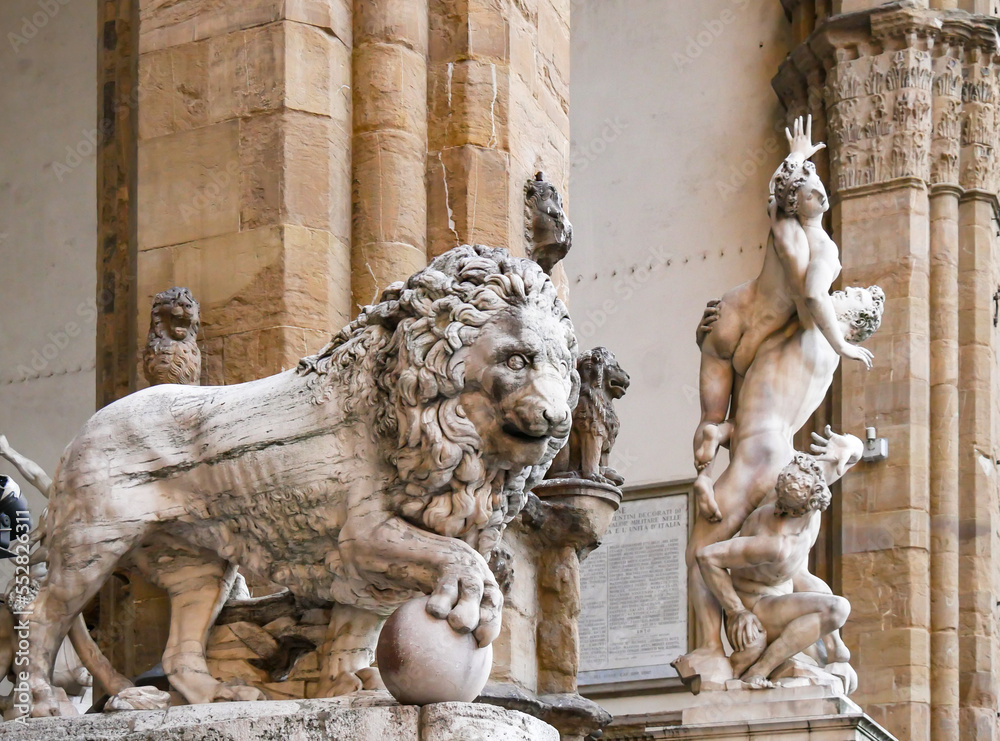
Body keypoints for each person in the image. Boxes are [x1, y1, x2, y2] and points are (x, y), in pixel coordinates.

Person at [677, 284, 883, 680]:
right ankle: (808, 655)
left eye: (851, 296)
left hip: (758, 454)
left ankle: (710, 649)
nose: (841, 292)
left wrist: (721, 333)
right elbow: (746, 362)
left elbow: (804, 289)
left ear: (852, 324)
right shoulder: (808, 343)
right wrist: (713, 337)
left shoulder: (814, 331)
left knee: (700, 553)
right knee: (787, 567)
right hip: (773, 449)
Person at [693, 116, 873, 524]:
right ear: (816, 201)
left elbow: (778, 187)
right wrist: (842, 344)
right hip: (760, 331)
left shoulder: (780, 218)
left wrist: (796, 156)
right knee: (725, 423)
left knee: (711, 421)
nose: (819, 192)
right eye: (814, 189)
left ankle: (702, 476)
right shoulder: (824, 250)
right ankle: (707, 474)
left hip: (733, 312)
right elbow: (812, 294)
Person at [696, 438, 861, 689]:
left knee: (819, 590)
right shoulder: (775, 544)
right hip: (759, 605)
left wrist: (848, 447)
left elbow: (851, 456)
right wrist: (737, 611)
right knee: (837, 609)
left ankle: (835, 652)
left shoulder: (808, 476)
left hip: (788, 585)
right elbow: (706, 556)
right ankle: (759, 670)